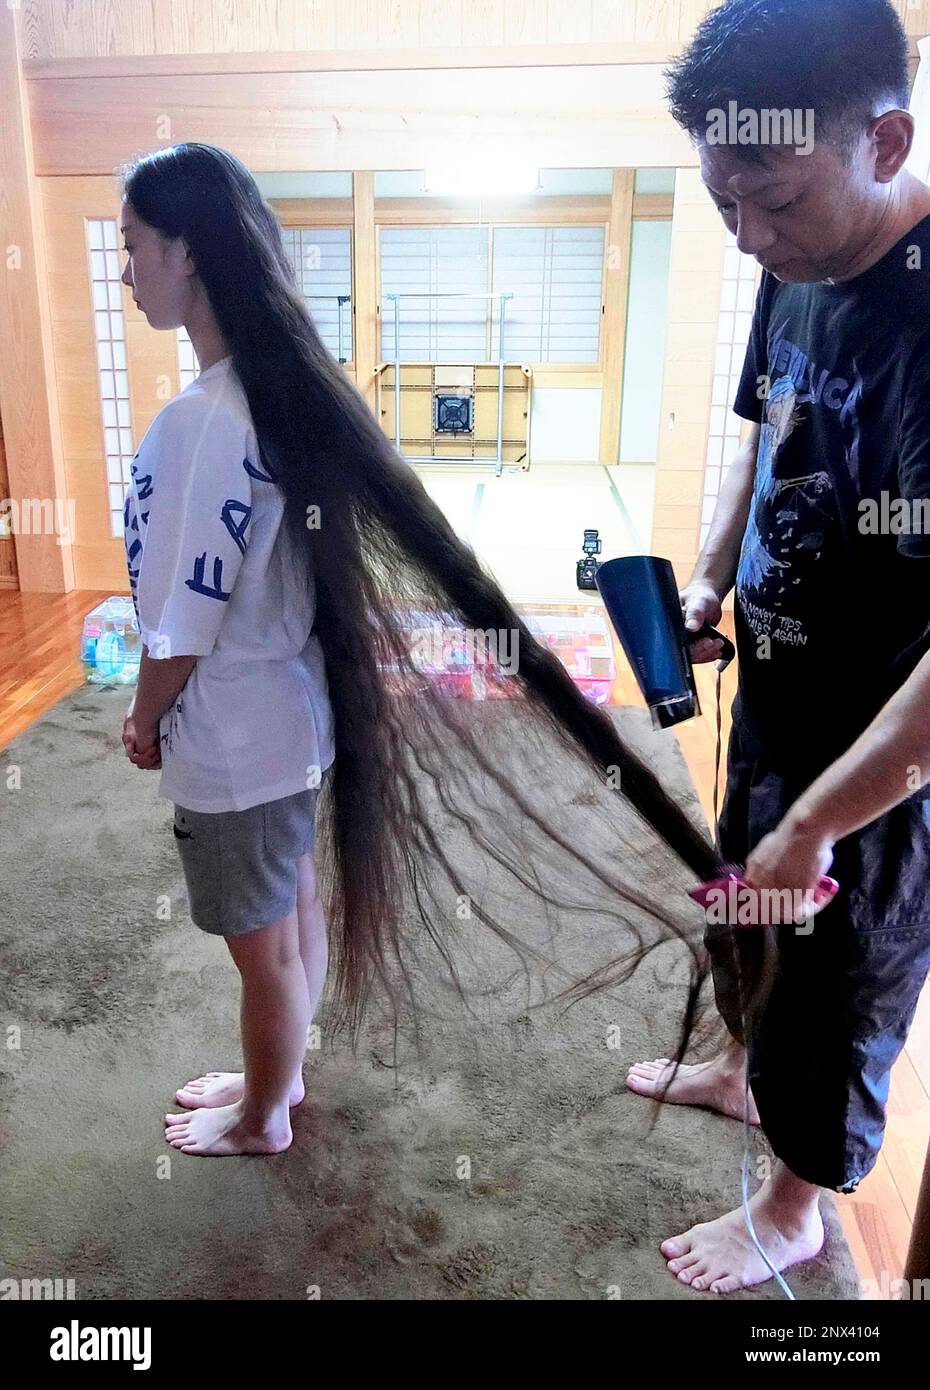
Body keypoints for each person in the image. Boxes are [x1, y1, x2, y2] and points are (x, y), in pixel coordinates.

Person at [117, 142, 722, 1160]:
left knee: (261, 949)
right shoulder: (273, 395)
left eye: (133, 247)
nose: (126, 271)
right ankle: (282, 1073)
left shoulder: (203, 423)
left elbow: (185, 615)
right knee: (293, 907)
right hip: (289, 722)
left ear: (186, 253)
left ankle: (265, 1114)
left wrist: (142, 714)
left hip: (231, 733)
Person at [627, 0, 930, 1293]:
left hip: (883, 755)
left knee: (842, 976)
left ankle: (798, 1201)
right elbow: (759, 427)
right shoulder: (787, 264)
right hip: (778, 683)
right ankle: (739, 1070)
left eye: (777, 202)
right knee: (745, 906)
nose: (751, 236)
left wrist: (820, 817)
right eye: (723, 205)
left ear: (884, 139)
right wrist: (703, 581)